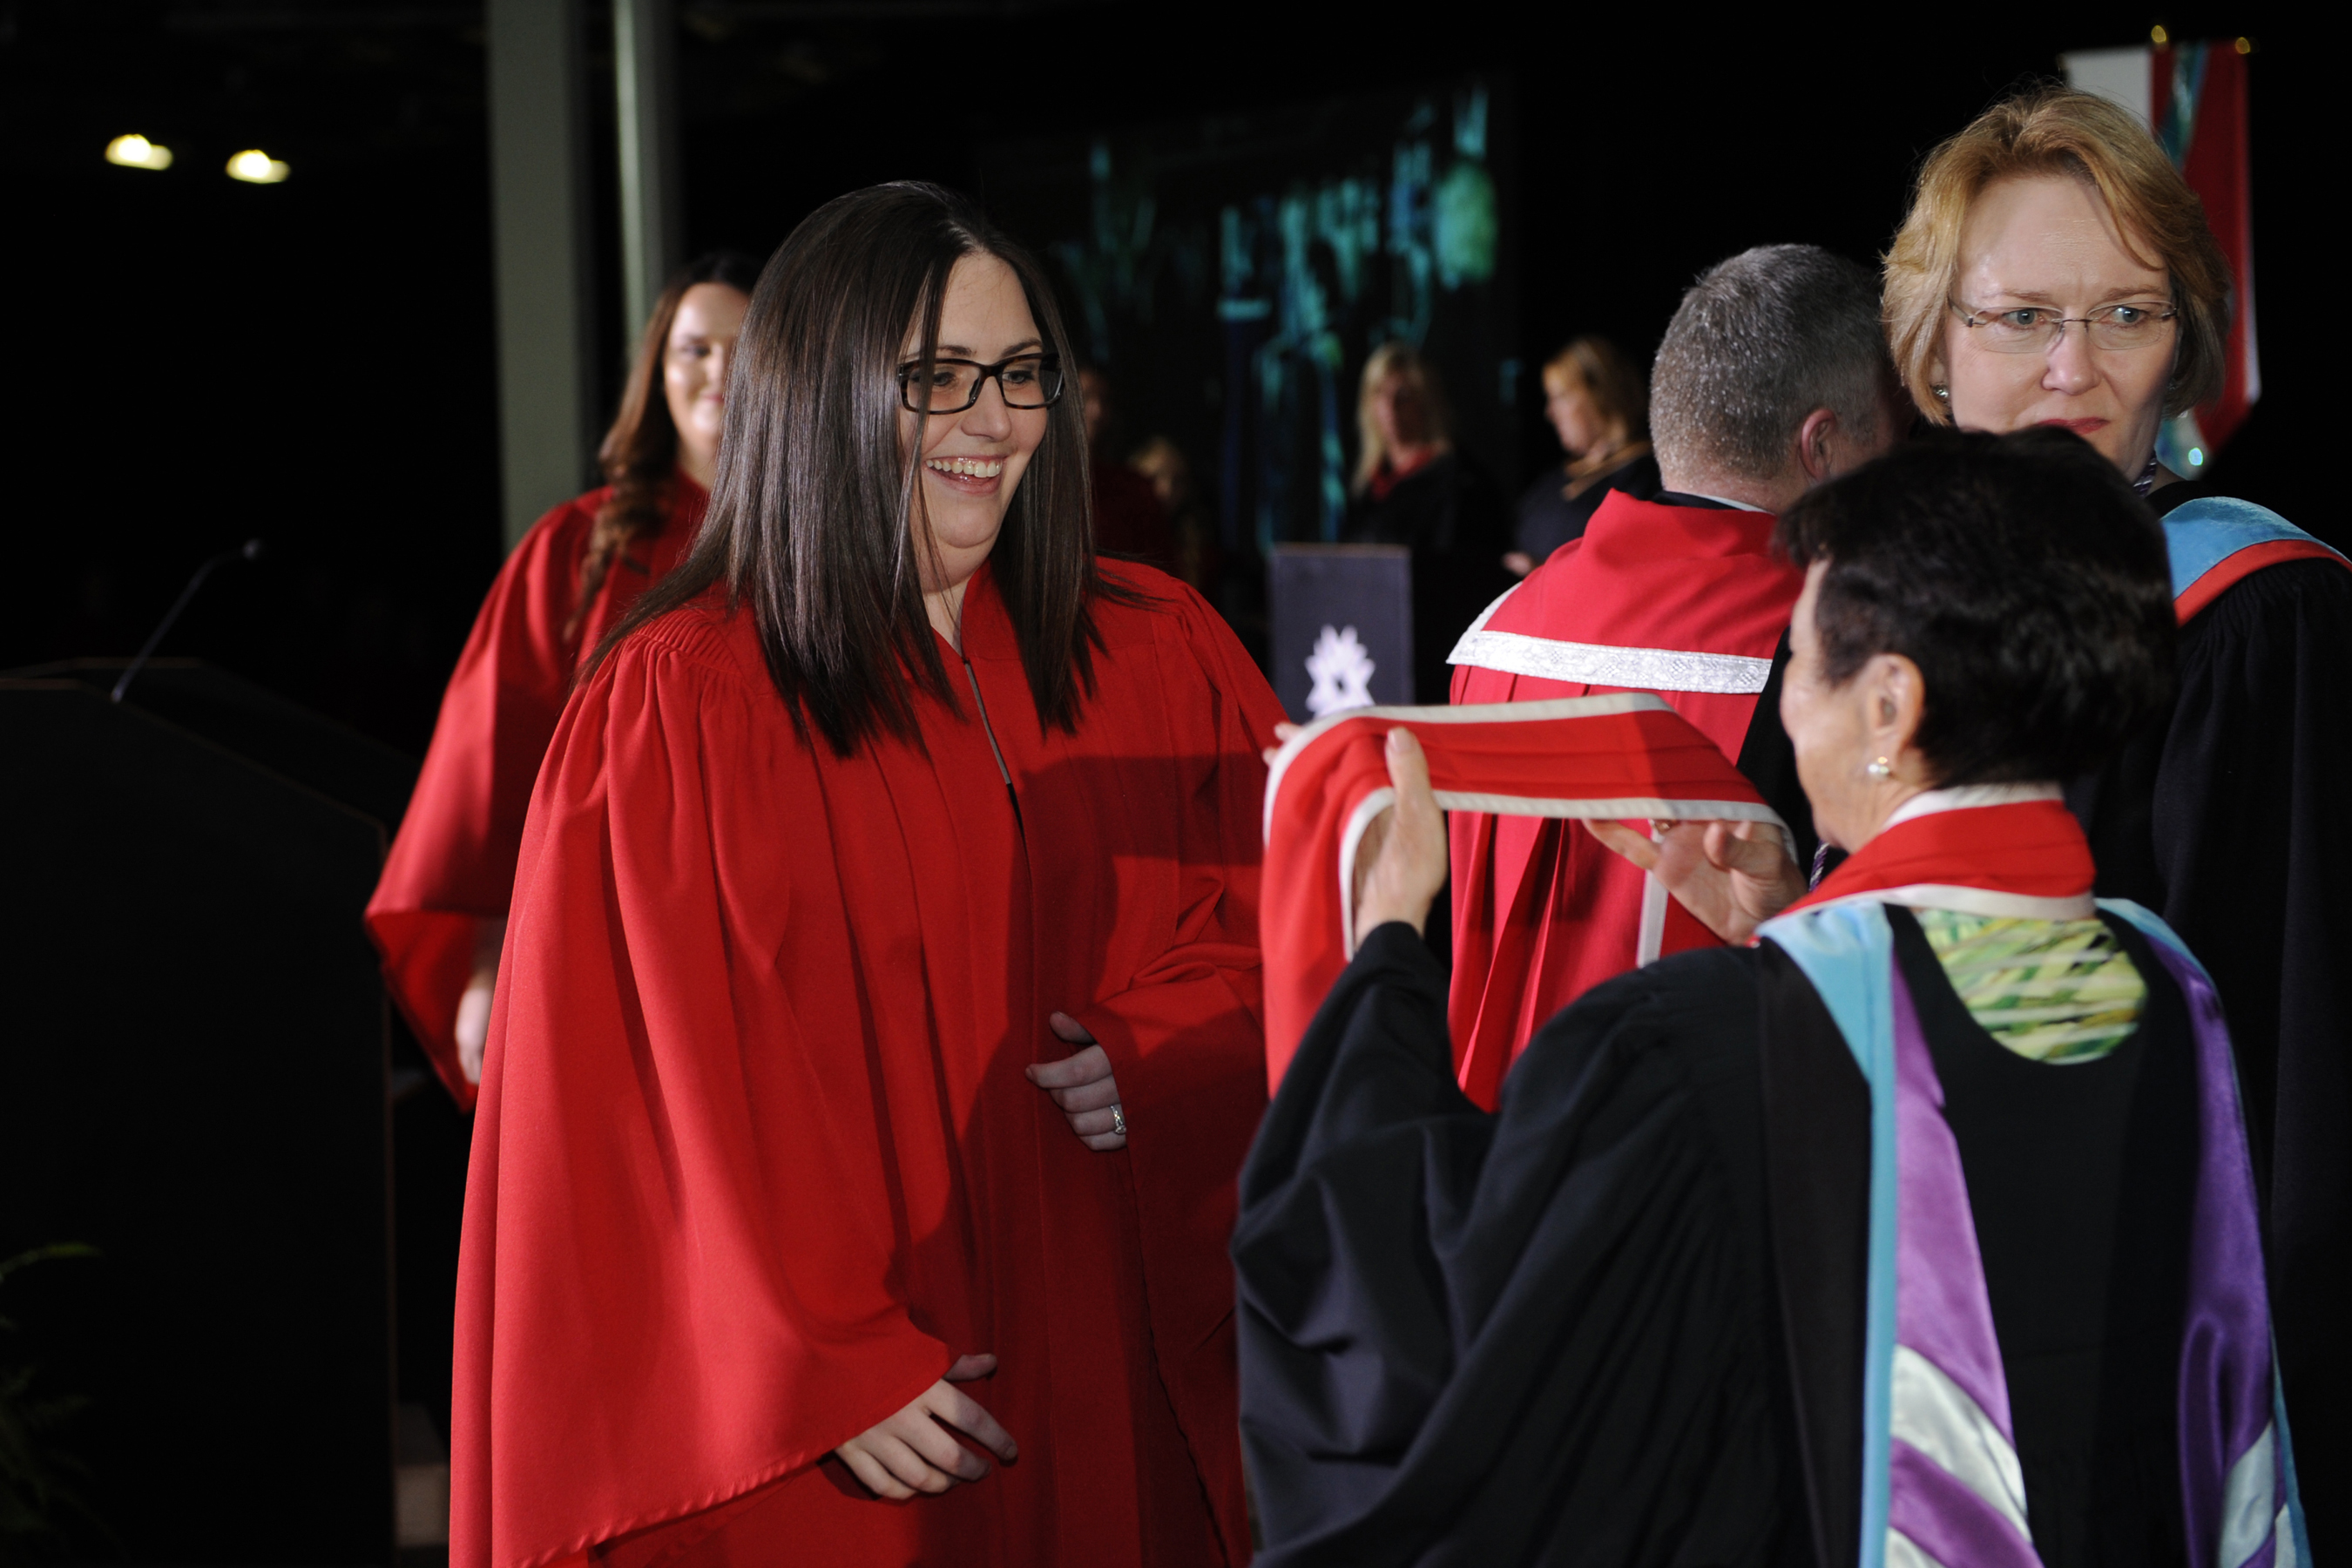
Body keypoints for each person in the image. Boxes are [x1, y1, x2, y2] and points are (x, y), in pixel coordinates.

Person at [1238, 429, 2308, 1567]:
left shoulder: (1687, 1050)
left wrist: (1385, 952)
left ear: (1890, 708)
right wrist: (1795, 924)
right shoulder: (2164, 980)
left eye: (1795, 658)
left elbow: (1432, 1345)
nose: (1787, 707)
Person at [450, 183, 1281, 1568]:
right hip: (845, 1424)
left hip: (1112, 1344)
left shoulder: (1159, 652)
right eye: (937, 378)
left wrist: (1173, 1052)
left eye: (1021, 374)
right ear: (819, 392)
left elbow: (1295, 926)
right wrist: (819, 1354)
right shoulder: (683, 705)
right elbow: (626, 1093)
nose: (997, 421)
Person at [1883, 86, 2352, 1538]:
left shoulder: (2248, 622)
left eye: (2126, 313)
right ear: (1935, 353)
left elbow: (2293, 1063)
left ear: (2184, 347)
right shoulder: (1890, 627)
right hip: (1939, 1319)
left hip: (2159, 1335)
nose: (2073, 365)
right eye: (2019, 317)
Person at [1444, 246, 1898, 1105]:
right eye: (1896, 435)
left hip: (1501, 1174)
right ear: (1825, 447)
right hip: (1714, 1184)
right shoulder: (1841, 654)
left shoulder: (1497, 630)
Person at [366, 251, 758, 1103]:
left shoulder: (823, 553)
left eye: (747, 345)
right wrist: (481, 966)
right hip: (599, 946)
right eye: (694, 349)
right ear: (657, 372)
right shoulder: (576, 550)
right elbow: (492, 767)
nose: (720, 370)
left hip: (772, 950)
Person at [1340, 343, 1511, 704]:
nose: (1389, 409)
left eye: (1403, 396)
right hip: (1366, 646)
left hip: (1425, 661)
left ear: (1427, 402)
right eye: (1379, 395)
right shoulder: (1367, 486)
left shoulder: (1459, 484)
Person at [1504, 335, 1659, 576]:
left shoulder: (1644, 478)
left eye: (1561, 397)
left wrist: (1546, 574)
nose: (1550, 413)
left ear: (1601, 394)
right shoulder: (1557, 478)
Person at [1078, 363, 1174, 563]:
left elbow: (1161, 566)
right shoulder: (1038, 485)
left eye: (1105, 400)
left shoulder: (1133, 488)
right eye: (1085, 397)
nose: (1097, 411)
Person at [1129, 434, 1219, 593]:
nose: (1167, 490)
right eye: (1154, 477)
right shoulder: (1122, 531)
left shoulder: (1193, 539)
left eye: (1178, 481)